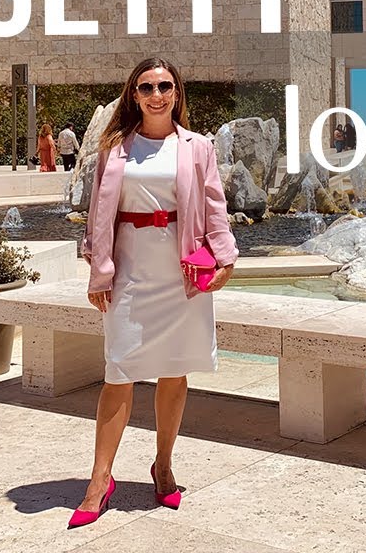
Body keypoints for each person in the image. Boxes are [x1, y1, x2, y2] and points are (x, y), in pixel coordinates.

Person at [70, 57, 237, 528]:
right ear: (135, 94)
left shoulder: (198, 147)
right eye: (146, 87)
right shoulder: (115, 146)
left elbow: (214, 205)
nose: (156, 94)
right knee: (118, 371)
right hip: (130, 269)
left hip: (181, 274)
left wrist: (225, 259)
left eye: (164, 86)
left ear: (177, 92)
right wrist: (97, 271)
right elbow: (99, 215)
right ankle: (100, 479)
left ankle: (163, 465)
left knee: (173, 371)